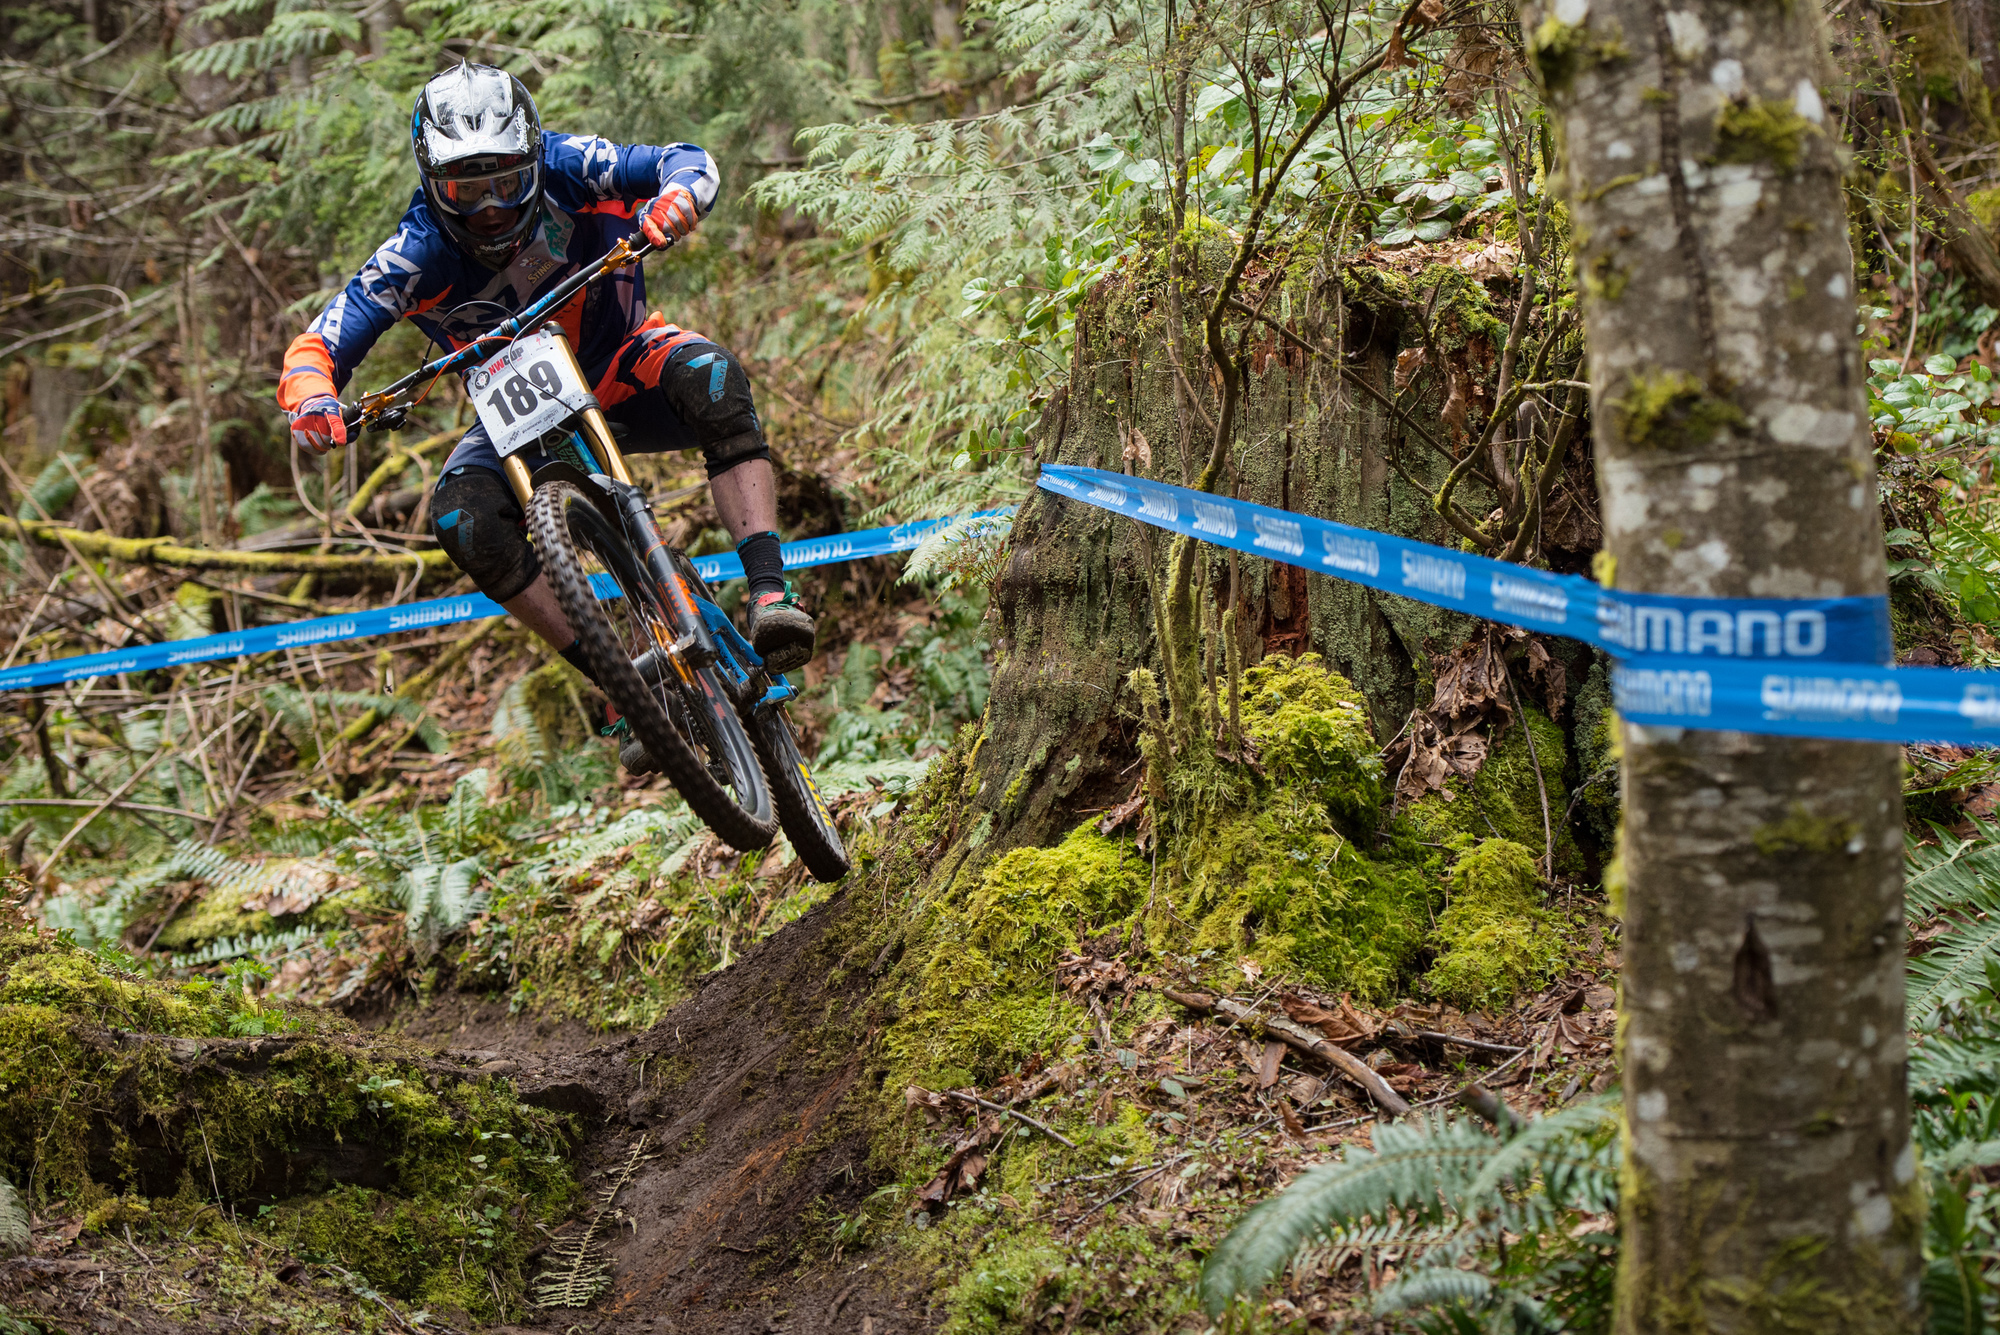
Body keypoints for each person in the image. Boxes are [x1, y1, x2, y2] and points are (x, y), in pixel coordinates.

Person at [275, 62, 816, 766]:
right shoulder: (414, 253)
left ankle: (770, 591)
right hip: (519, 420)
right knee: (460, 515)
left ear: (531, 158)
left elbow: (687, 161)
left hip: (624, 364)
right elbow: (319, 343)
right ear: (431, 185)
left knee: (712, 376)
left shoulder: (571, 165)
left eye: (504, 180)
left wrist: (678, 198)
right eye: (464, 191)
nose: (490, 207)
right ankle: (623, 686)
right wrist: (314, 398)